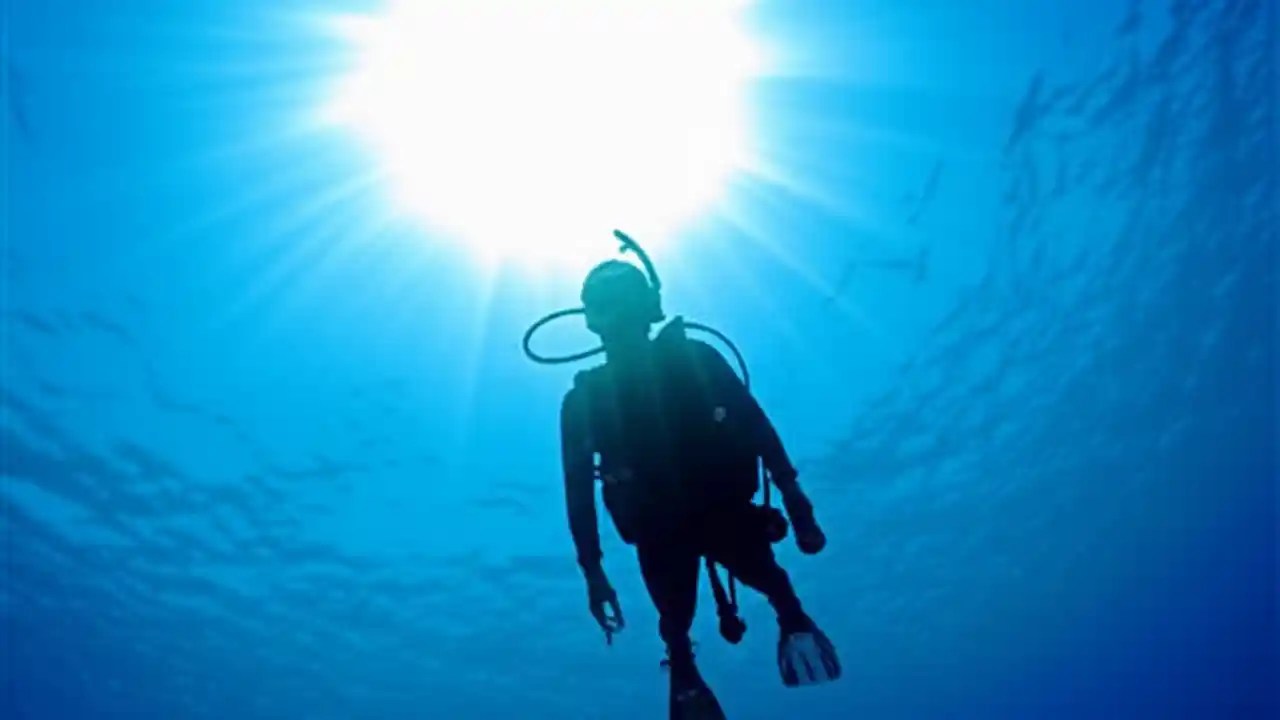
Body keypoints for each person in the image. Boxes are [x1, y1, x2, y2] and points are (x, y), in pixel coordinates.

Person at [558, 259, 842, 719]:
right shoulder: (583, 402)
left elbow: (756, 425)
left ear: (649, 307)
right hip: (659, 526)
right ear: (594, 321)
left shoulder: (697, 360)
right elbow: (578, 493)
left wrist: (795, 498)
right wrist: (592, 571)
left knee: (765, 582)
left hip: (719, 508)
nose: (621, 319)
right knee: (676, 618)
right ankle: (686, 665)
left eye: (627, 304)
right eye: (610, 308)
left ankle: (781, 617)